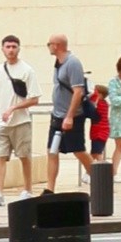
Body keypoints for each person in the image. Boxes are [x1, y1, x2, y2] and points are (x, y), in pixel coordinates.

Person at [0, 33, 40, 201]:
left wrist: (13, 107)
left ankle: (27, 189)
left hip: (21, 121)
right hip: (1, 121)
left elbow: (34, 99)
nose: (11, 50)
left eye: (14, 47)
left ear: (19, 48)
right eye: (8, 47)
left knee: (24, 156)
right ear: (2, 49)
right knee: (1, 157)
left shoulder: (27, 70)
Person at [44, 34, 88, 191]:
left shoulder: (73, 63)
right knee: (52, 151)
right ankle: (50, 189)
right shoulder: (58, 63)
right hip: (57, 115)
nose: (48, 46)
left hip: (72, 116)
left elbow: (78, 91)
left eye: (49, 44)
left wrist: (69, 116)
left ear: (56, 45)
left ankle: (97, 176)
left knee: (78, 150)